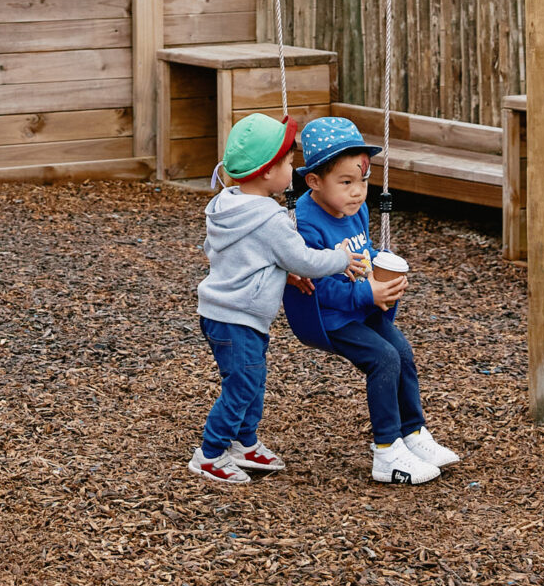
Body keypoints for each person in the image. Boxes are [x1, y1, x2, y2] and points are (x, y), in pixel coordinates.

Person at [190, 112, 369, 487]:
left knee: (251, 380)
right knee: (241, 384)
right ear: (269, 172)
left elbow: (230, 251)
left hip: (222, 312)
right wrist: (340, 258)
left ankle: (244, 441)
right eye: (289, 163)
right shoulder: (270, 219)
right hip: (237, 316)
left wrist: (280, 271)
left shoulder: (227, 205)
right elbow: (303, 257)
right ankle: (210, 453)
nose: (294, 169)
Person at [283, 115, 459, 487]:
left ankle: (413, 435)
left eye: (362, 180)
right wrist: (368, 291)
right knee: (383, 358)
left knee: (403, 353)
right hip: (328, 318)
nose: (357, 191)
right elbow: (314, 285)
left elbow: (361, 253)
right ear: (314, 181)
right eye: (345, 182)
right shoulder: (306, 223)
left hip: (359, 308)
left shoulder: (357, 209)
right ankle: (387, 451)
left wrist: (383, 275)